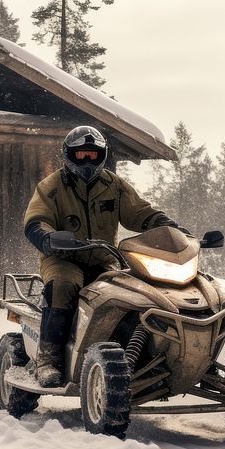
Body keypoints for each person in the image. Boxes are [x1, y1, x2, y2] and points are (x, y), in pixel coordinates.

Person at [22, 126, 181, 387]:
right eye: (80, 155)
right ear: (68, 155)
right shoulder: (51, 187)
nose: (86, 161)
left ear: (102, 156)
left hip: (104, 259)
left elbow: (140, 212)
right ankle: (49, 359)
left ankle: (141, 357)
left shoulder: (114, 185)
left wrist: (167, 226)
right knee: (63, 286)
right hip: (63, 258)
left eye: (92, 155)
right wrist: (48, 238)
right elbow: (36, 220)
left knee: (135, 293)